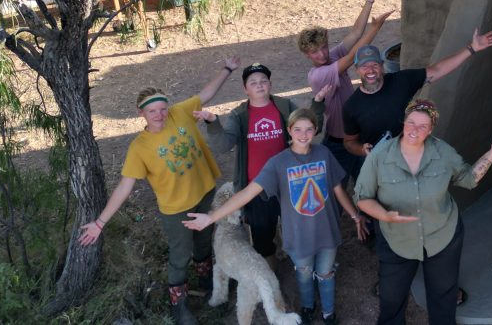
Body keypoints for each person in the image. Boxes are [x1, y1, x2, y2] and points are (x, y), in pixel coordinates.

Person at [80, 56, 242, 325]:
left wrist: (227, 69)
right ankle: (179, 305)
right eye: (152, 111)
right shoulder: (139, 147)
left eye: (162, 108)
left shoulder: (179, 113)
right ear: (140, 113)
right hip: (176, 208)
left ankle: (207, 282)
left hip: (204, 193)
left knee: (204, 242)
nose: (159, 115)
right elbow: (124, 187)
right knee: (180, 255)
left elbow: (206, 93)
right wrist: (99, 223)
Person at [184, 108, 368, 325]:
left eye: (309, 129)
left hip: (326, 230)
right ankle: (308, 307)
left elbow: (337, 188)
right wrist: (211, 218)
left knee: (326, 273)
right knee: (304, 273)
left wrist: (356, 216)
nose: (303, 134)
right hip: (298, 235)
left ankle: (329, 313)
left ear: (316, 130)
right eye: (297, 129)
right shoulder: (278, 163)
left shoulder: (323, 154)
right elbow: (247, 193)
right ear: (289, 131)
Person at [355, 99, 492, 325]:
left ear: (431, 129)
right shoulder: (380, 156)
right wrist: (383, 215)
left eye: (423, 126)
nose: (415, 130)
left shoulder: (443, 152)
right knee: (392, 299)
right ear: (404, 122)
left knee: (443, 298)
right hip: (396, 239)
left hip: (442, 236)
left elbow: (468, 179)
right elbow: (362, 198)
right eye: (411, 123)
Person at [197, 62, 327, 266]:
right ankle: (270, 273)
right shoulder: (239, 115)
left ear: (270, 85)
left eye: (263, 81)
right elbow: (223, 145)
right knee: (262, 234)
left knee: (299, 224)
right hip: (256, 188)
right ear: (245, 89)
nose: (259, 85)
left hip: (289, 182)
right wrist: (213, 123)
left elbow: (308, 129)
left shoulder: (284, 106)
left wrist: (317, 103)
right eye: (253, 82)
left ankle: (305, 268)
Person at [343, 27, 492, 160]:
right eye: (364, 66)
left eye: (375, 64)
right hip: (378, 162)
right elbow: (349, 142)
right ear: (356, 70)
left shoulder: (402, 81)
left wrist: (472, 48)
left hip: (411, 155)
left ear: (382, 66)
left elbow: (437, 70)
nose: (370, 70)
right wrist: (362, 150)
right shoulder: (351, 106)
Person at [298, 0, 391, 179]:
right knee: (337, 190)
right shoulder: (318, 75)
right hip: (338, 142)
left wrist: (369, 2)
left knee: (366, 185)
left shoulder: (331, 56)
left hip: (358, 136)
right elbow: (351, 59)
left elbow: (355, 33)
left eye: (324, 47)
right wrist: (375, 28)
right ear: (307, 55)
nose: (322, 54)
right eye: (315, 52)